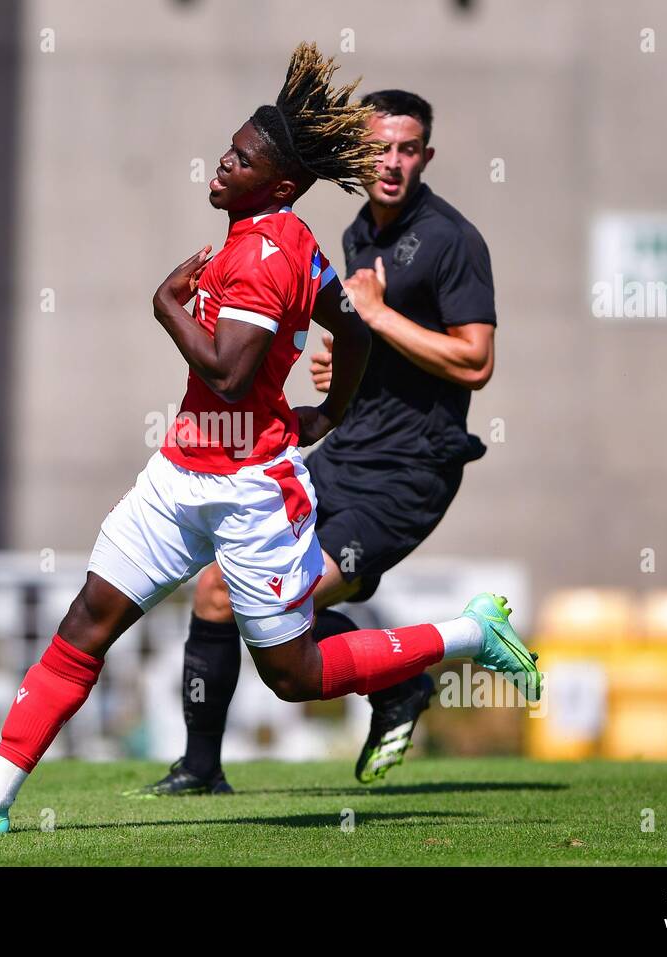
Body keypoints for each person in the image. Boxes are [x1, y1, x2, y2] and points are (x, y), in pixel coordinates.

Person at [0, 44, 538, 834]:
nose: (222, 164)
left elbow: (231, 376)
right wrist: (332, 409)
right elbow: (347, 321)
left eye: (241, 159)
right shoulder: (297, 240)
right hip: (180, 474)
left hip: (249, 490)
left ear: (281, 185)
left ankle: (470, 631)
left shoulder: (263, 258)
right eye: (229, 149)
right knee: (85, 621)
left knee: (295, 677)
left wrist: (166, 305)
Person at [132, 89, 501, 794]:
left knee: (278, 610)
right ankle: (201, 768)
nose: (392, 163)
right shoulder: (363, 230)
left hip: (410, 470)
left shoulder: (452, 240)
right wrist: (344, 371)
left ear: (426, 155)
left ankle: (402, 679)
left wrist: (379, 320)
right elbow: (358, 333)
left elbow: (476, 362)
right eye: (379, 148)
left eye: (407, 148)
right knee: (216, 590)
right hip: (343, 452)